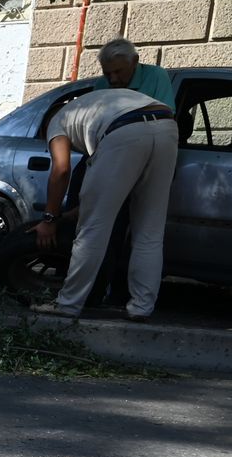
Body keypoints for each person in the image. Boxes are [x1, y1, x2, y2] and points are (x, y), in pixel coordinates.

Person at [33, 86, 177, 321]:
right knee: (150, 231)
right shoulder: (93, 106)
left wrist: (49, 219)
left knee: (92, 230)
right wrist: (78, 210)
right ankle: (142, 307)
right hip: (166, 124)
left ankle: (68, 304)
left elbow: (61, 169)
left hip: (125, 129)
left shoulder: (56, 120)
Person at [92, 38, 176, 106]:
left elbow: (165, 117)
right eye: (107, 74)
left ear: (134, 61)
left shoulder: (156, 76)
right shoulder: (102, 84)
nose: (113, 80)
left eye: (118, 72)